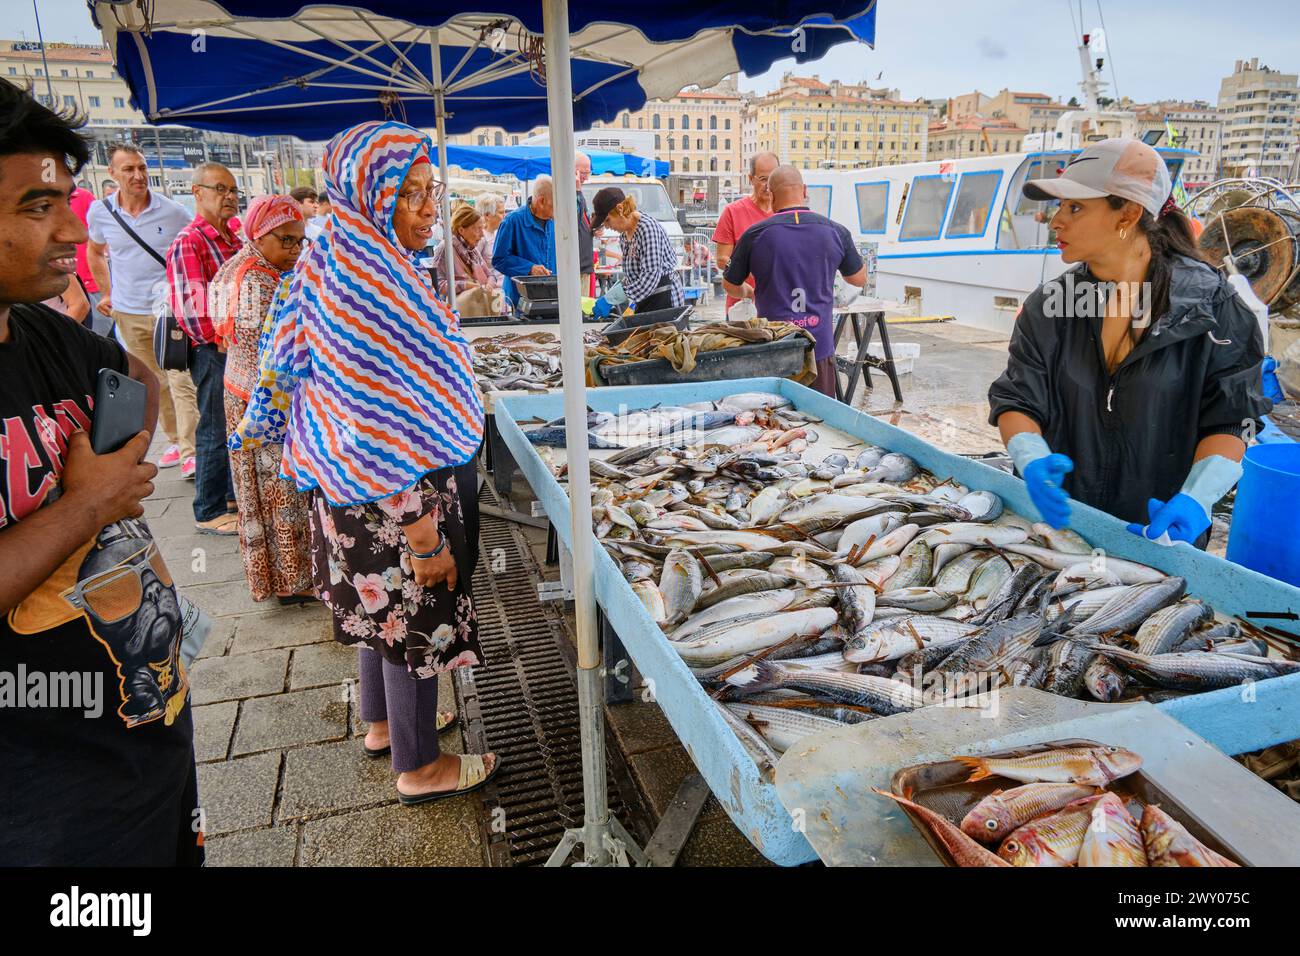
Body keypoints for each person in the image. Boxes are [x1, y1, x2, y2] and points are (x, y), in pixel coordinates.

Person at [231, 120, 496, 804]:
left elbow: (283, 360)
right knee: (413, 613)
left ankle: (383, 726)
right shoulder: (363, 281)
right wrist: (423, 531)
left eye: (429, 189)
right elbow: (376, 426)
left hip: (348, 491)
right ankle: (421, 766)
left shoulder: (335, 253)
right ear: (370, 193)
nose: (429, 206)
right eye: (410, 194)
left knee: (377, 611)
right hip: (392, 492)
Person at [0, 84, 202, 866]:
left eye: (68, 198)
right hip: (45, 810)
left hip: (144, 746)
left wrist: (123, 447)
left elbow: (140, 378)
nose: (73, 227)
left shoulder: (47, 333)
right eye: (35, 206)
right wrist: (91, 503)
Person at [988, 138, 1271, 545]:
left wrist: (1197, 497)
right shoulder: (1049, 306)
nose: (1056, 221)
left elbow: (1233, 417)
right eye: (1059, 207)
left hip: (1160, 537)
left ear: (1130, 213)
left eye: (1075, 207)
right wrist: (1030, 457)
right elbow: (1017, 398)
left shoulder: (1216, 307)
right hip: (1061, 530)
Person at [209, 195, 314, 603]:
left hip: (243, 394)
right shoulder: (258, 280)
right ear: (258, 233)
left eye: (299, 242)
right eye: (285, 240)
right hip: (267, 404)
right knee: (281, 491)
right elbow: (271, 354)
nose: (294, 251)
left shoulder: (239, 266)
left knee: (263, 493)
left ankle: (278, 580)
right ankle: (295, 582)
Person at [87, 143, 200, 476]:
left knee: (180, 379)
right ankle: (178, 442)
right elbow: (94, 252)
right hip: (128, 311)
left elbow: (192, 248)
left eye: (141, 168)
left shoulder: (173, 211)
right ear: (112, 173)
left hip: (168, 311)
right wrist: (106, 292)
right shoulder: (100, 212)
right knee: (155, 381)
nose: (138, 176)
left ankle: (192, 452)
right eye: (129, 169)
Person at [722, 165, 866, 397]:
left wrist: (750, 292)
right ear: (805, 190)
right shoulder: (835, 232)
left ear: (771, 194)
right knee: (820, 419)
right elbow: (858, 279)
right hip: (818, 347)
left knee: (775, 421)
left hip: (774, 346)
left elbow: (729, 284)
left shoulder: (755, 235)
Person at [167, 162, 242, 536]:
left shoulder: (232, 237)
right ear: (197, 193)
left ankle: (229, 497)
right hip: (213, 348)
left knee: (232, 424)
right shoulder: (190, 240)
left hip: (235, 347)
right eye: (220, 189)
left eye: (233, 190)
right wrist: (219, 338)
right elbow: (189, 304)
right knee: (214, 427)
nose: (229, 197)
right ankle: (208, 509)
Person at [589, 185, 684, 316]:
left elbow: (650, 278)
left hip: (665, 298)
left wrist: (611, 299)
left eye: (608, 220)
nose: (608, 226)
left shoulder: (648, 230)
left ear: (620, 209)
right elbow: (632, 277)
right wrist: (610, 295)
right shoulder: (624, 236)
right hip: (646, 299)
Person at [713, 151, 778, 313]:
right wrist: (743, 268)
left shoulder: (784, 213)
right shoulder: (732, 212)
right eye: (763, 179)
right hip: (742, 305)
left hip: (778, 304)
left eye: (773, 178)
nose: (768, 185)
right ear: (750, 179)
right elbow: (721, 260)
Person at [493, 174, 555, 313]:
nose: (557, 210)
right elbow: (499, 259)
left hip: (551, 297)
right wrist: (529, 268)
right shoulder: (513, 221)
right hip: (520, 301)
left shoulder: (555, 221)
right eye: (554, 205)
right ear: (541, 201)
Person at [432, 203, 496, 318]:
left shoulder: (472, 250)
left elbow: (490, 274)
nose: (482, 234)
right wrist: (466, 285)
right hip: (454, 315)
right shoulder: (445, 249)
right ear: (461, 230)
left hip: (477, 310)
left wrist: (489, 285)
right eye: (478, 229)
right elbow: (438, 285)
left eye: (483, 229)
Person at [68, 183, 103, 329]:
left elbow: (101, 238)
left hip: (89, 284)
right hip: (61, 287)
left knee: (96, 335)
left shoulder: (83, 197)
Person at [575, 152, 595, 295]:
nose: (586, 177)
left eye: (588, 173)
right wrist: (577, 191)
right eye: (583, 173)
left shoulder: (579, 195)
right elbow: (573, 219)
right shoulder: (574, 193)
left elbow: (582, 220)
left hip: (584, 266)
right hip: (577, 267)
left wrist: (592, 229)